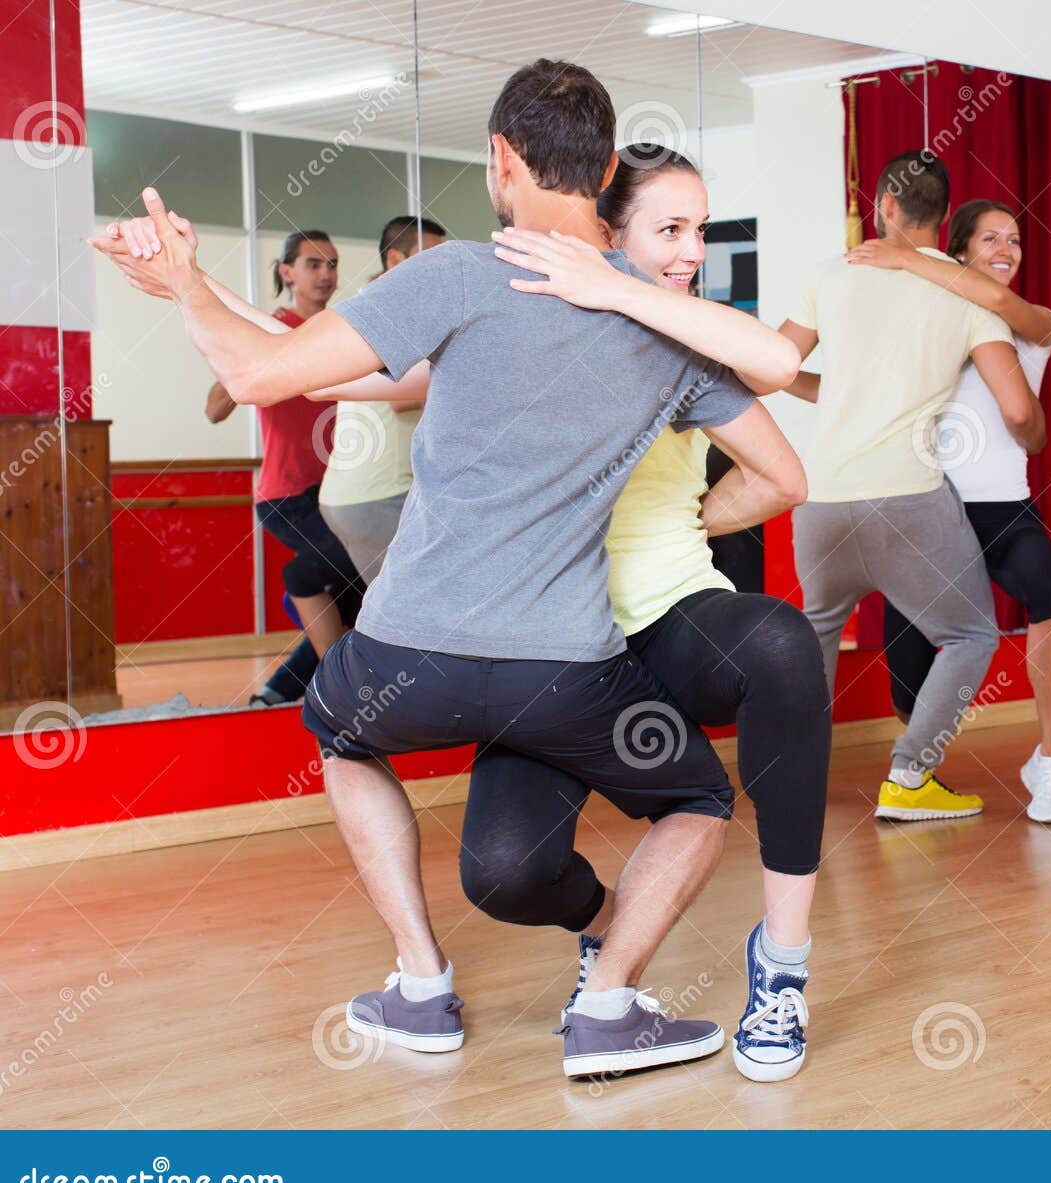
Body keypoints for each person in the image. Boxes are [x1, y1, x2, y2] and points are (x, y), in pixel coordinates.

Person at [91, 58, 805, 1080]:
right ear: (603, 170)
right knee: (695, 800)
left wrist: (178, 285)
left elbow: (255, 373)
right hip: (560, 667)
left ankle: (420, 984)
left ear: (498, 159)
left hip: (404, 651)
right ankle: (608, 1005)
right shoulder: (660, 323)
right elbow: (780, 436)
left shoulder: (455, 274)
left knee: (337, 732)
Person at [483, 145, 827, 1082]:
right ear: (607, 231)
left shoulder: (687, 338)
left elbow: (783, 475)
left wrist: (690, 523)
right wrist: (196, 296)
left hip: (673, 615)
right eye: (669, 229)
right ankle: (607, 934)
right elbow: (345, 370)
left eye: (700, 230)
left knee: (785, 646)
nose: (692, 251)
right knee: (505, 873)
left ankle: (782, 966)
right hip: (553, 642)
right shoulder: (529, 333)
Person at [780, 150, 1045, 823]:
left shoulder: (830, 276)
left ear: (886, 208)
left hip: (820, 501)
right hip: (906, 499)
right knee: (971, 636)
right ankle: (909, 776)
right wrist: (1035, 434)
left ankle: (793, 786)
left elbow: (773, 368)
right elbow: (1016, 408)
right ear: (945, 216)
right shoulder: (964, 291)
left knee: (816, 632)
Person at [845, 199, 1051, 823]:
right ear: (963, 251)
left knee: (1047, 582)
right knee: (907, 676)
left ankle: (1050, 766)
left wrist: (906, 257)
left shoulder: (1036, 322)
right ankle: (918, 776)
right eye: (991, 239)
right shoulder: (926, 326)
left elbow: (1000, 304)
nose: (1006, 250)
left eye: (1016, 240)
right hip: (927, 512)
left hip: (1003, 510)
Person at [202, 231, 364, 708]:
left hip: (339, 492)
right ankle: (340, 686)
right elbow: (214, 409)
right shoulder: (270, 330)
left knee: (355, 595)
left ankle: (278, 693)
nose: (326, 274)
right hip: (287, 497)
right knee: (342, 569)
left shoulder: (340, 331)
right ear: (286, 272)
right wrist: (251, 360)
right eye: (313, 264)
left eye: (332, 264)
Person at [312, 216, 447, 585]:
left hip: (347, 495)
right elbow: (401, 397)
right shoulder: (398, 305)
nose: (441, 267)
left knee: (391, 616)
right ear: (395, 260)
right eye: (430, 255)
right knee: (429, 602)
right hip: (379, 493)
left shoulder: (368, 301)